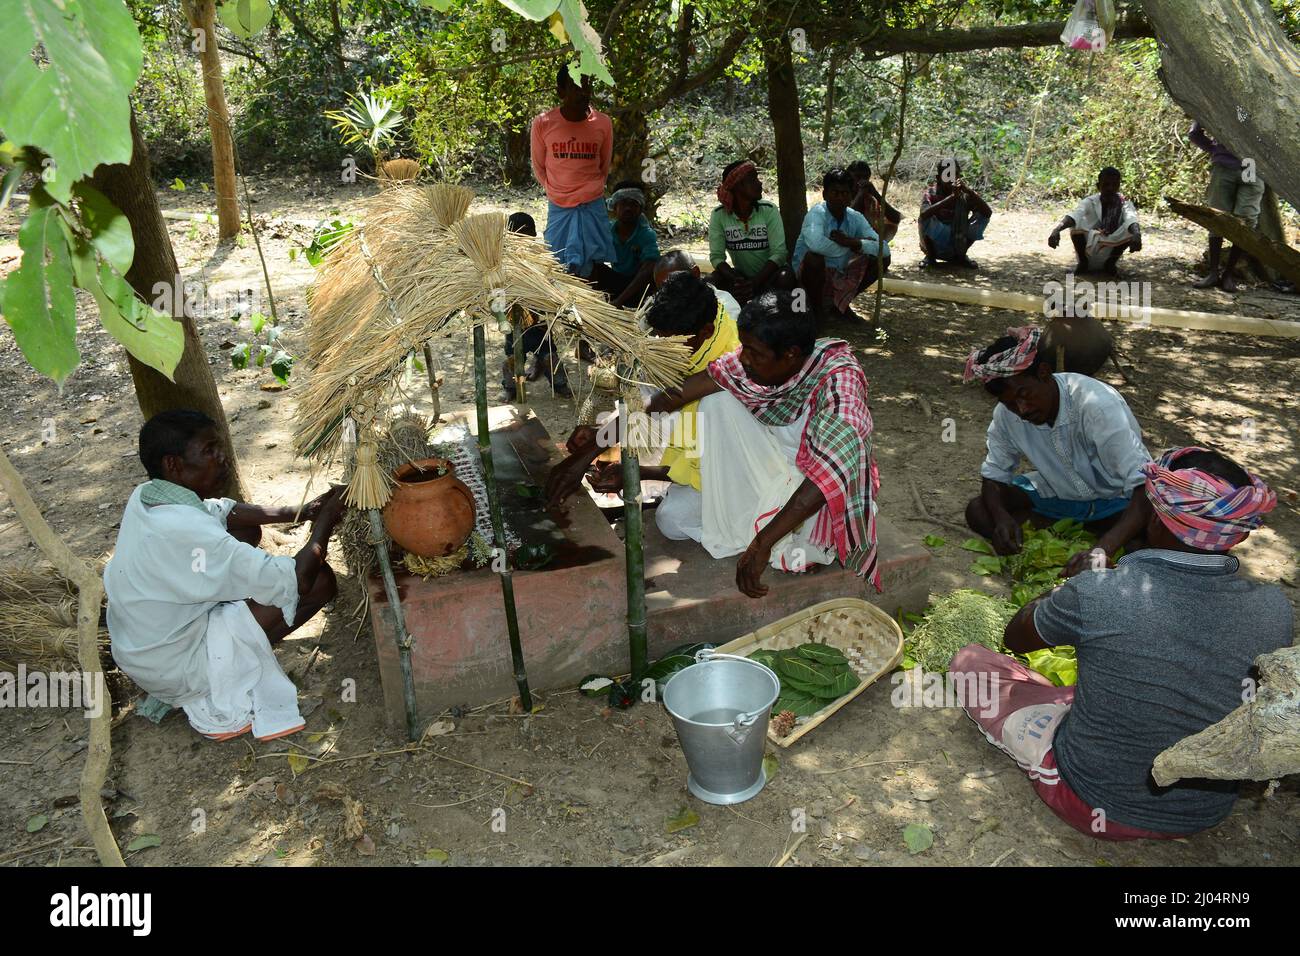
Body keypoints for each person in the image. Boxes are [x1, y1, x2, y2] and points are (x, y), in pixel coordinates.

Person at [950, 447, 1288, 840]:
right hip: (1203, 810)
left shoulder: (1099, 592)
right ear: (1238, 531)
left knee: (971, 662)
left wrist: (1067, 590)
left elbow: (1015, 637)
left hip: (1097, 803)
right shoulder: (1274, 608)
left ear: (1157, 518)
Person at [104, 410, 345, 742]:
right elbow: (297, 580)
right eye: (209, 451)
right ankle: (230, 673)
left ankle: (238, 650)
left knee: (247, 532)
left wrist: (302, 511)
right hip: (176, 668)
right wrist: (327, 522)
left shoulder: (148, 496)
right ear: (173, 464)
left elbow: (222, 511)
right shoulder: (187, 533)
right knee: (321, 581)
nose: (222, 458)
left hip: (140, 649)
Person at [644, 292, 881, 597]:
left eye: (754, 353)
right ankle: (756, 526)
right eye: (744, 348)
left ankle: (765, 532)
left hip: (810, 494)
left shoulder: (839, 384)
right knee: (672, 520)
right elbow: (674, 396)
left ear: (791, 354)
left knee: (798, 551)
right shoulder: (758, 360)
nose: (743, 359)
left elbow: (831, 477)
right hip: (766, 474)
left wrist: (762, 543)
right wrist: (597, 444)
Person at [545, 271, 741, 508]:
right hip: (680, 435)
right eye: (660, 338)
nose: (663, 347)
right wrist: (600, 434)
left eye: (670, 342)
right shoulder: (694, 320)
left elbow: (664, 404)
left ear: (706, 332)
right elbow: (645, 404)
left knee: (672, 518)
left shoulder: (729, 366)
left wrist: (631, 469)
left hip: (726, 468)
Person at [963, 326, 1151, 556]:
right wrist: (1002, 519)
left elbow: (1145, 485)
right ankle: (1088, 535)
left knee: (1150, 536)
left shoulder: (1096, 405)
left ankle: (1098, 539)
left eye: (1024, 395)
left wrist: (1102, 551)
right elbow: (994, 476)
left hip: (1113, 501)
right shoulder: (1007, 415)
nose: (1021, 410)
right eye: (1010, 403)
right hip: (1058, 496)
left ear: (1043, 372)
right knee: (979, 511)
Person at [530, 64, 615, 279]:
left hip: (592, 205)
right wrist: (557, 191)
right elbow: (539, 166)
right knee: (557, 264)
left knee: (595, 268)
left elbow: (604, 165)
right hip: (559, 205)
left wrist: (589, 191)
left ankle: (593, 308)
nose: (583, 92)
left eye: (586, 86)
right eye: (576, 86)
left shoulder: (603, 123)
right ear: (561, 92)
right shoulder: (543, 123)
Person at [792, 168, 889, 323]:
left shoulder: (855, 217)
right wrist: (848, 247)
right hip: (806, 280)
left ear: (852, 196)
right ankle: (817, 313)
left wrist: (854, 243)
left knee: (881, 259)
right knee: (813, 258)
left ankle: (839, 307)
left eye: (845, 193)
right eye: (835, 193)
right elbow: (816, 244)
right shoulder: (816, 214)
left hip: (838, 273)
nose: (840, 198)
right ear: (825, 195)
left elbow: (884, 249)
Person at [1188, 121, 1266, 292]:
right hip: (1225, 167)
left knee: (1244, 223)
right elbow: (1195, 133)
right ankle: (1213, 273)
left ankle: (1228, 274)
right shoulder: (1224, 102)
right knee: (1217, 218)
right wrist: (1216, 151)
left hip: (1253, 168)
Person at [502, 212, 569, 399]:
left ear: (534, 233)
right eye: (516, 232)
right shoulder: (504, 260)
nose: (521, 236)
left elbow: (551, 285)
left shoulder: (541, 256)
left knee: (549, 356)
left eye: (526, 231)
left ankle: (559, 384)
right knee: (513, 358)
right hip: (514, 321)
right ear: (508, 233)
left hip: (538, 322)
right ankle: (510, 388)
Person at [707, 160, 793, 304]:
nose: (759, 184)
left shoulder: (769, 210)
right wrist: (737, 281)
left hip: (768, 276)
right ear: (738, 186)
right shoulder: (719, 215)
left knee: (786, 277)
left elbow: (779, 253)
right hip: (741, 277)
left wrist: (756, 282)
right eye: (754, 179)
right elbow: (716, 257)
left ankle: (777, 316)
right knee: (711, 281)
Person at [1048, 166, 1141, 275]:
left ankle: (1110, 265)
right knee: (1076, 224)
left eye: (1114, 184)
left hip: (1112, 247)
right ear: (1098, 186)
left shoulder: (1124, 203)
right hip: (1089, 247)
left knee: (1133, 228)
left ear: (1118, 186)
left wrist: (1137, 234)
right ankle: (1083, 264)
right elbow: (1074, 215)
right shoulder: (1090, 201)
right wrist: (1057, 230)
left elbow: (1131, 219)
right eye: (1106, 184)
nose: (1110, 188)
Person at [589, 181, 659, 309]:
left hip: (639, 288)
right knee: (589, 263)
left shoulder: (646, 234)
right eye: (623, 203)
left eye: (633, 204)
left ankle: (630, 304)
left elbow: (648, 268)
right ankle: (595, 304)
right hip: (617, 282)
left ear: (640, 209)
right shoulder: (608, 231)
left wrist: (619, 301)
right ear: (615, 207)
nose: (628, 208)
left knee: (651, 269)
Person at [918, 158, 992, 269]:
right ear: (939, 178)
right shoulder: (931, 192)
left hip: (959, 239)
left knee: (982, 216)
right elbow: (923, 214)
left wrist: (969, 191)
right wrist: (951, 198)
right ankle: (930, 256)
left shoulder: (965, 194)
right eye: (947, 175)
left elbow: (987, 212)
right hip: (937, 240)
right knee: (925, 218)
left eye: (954, 174)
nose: (951, 178)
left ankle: (960, 256)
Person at [653, 248, 740, 324]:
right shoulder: (663, 306)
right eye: (661, 289)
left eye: (673, 286)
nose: (667, 294)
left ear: (695, 273)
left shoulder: (724, 305)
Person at [847, 160, 902, 243]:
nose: (862, 181)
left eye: (865, 177)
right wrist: (860, 195)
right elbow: (847, 219)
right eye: (857, 177)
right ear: (849, 178)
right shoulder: (841, 196)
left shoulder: (871, 200)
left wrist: (875, 193)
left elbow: (896, 218)